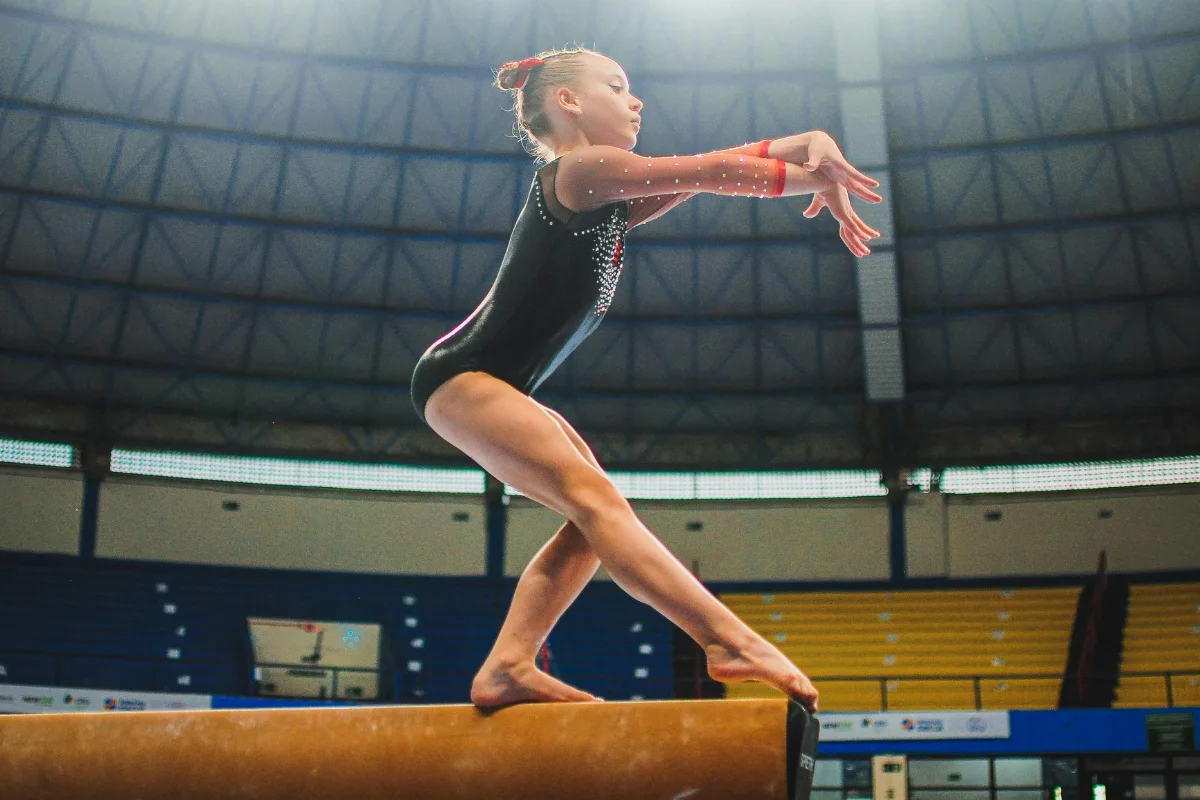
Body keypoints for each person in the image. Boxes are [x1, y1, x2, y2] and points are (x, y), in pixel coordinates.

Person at [410, 46, 883, 713]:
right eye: (616, 86)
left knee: (594, 519)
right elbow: (712, 171)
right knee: (597, 505)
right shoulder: (580, 171)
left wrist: (810, 145)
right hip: (465, 377)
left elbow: (707, 169)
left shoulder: (602, 194)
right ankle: (727, 640)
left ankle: (509, 664)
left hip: (490, 382)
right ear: (569, 101)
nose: (635, 101)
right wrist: (809, 174)